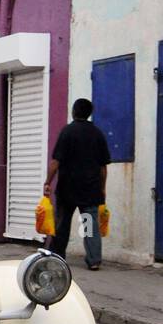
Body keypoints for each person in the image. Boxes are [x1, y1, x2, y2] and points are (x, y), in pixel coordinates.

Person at [44, 97, 112, 271]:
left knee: (62, 225)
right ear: (89, 113)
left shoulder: (67, 132)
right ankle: (94, 260)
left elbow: (55, 161)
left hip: (67, 189)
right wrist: (103, 188)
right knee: (89, 226)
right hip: (90, 190)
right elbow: (103, 167)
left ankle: (57, 257)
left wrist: (48, 182)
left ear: (74, 111)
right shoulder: (97, 134)